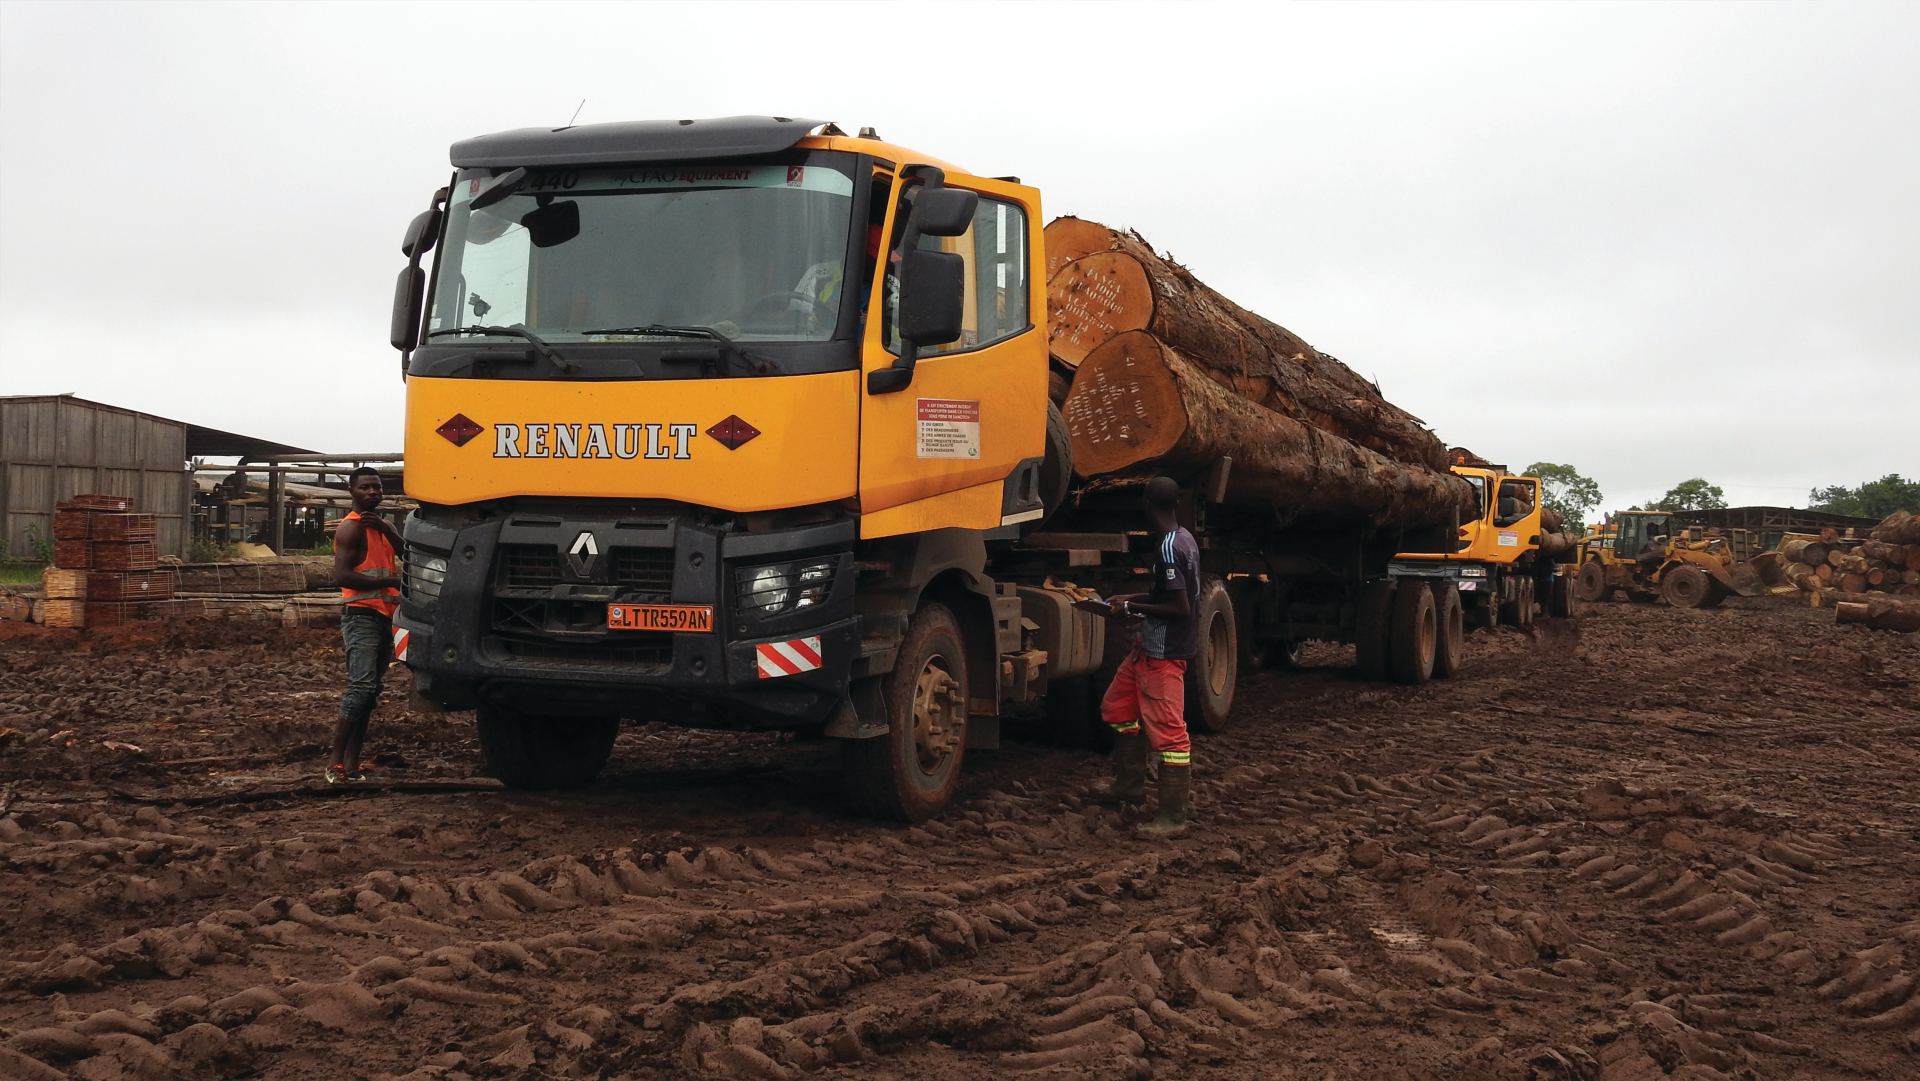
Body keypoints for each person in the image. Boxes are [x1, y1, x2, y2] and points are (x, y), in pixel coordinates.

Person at [1093, 475, 1201, 836]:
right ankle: (1129, 786)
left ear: (1146, 505)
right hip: (1148, 649)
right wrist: (1132, 603)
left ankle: (1172, 818)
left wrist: (1131, 608)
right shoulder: (1183, 538)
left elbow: (1180, 607)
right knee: (1117, 708)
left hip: (1164, 655)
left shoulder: (1170, 548)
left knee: (1171, 737)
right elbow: (1169, 600)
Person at [329, 468, 403, 784]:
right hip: (361, 616)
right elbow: (343, 576)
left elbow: (407, 555)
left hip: (384, 617)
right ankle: (335, 763)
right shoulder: (351, 528)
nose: (372, 492)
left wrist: (388, 528)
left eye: (377, 487)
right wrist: (391, 581)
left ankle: (353, 764)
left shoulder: (380, 528)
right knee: (361, 688)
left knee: (370, 692)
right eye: (365, 488)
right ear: (352, 491)